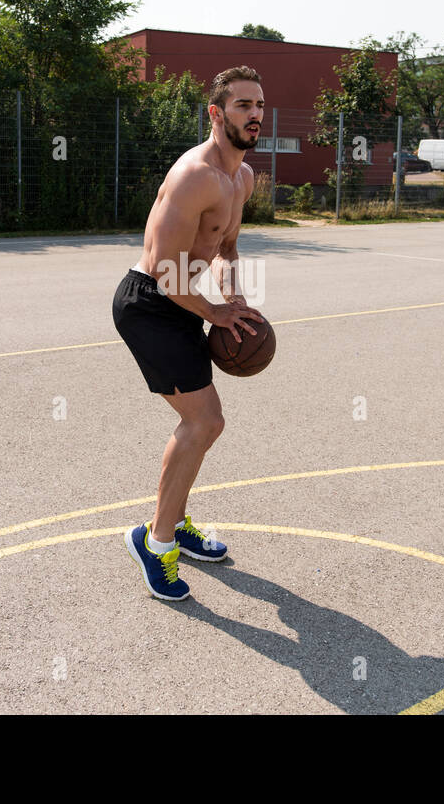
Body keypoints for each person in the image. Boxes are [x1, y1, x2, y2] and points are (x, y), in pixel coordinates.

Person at [112, 66, 267, 600]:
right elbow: (160, 269)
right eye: (244, 105)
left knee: (205, 424)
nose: (255, 115)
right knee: (204, 421)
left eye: (260, 105)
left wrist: (235, 298)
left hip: (185, 301)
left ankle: (173, 522)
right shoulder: (193, 176)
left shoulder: (242, 179)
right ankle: (154, 541)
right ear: (216, 113)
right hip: (149, 304)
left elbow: (225, 250)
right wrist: (215, 314)